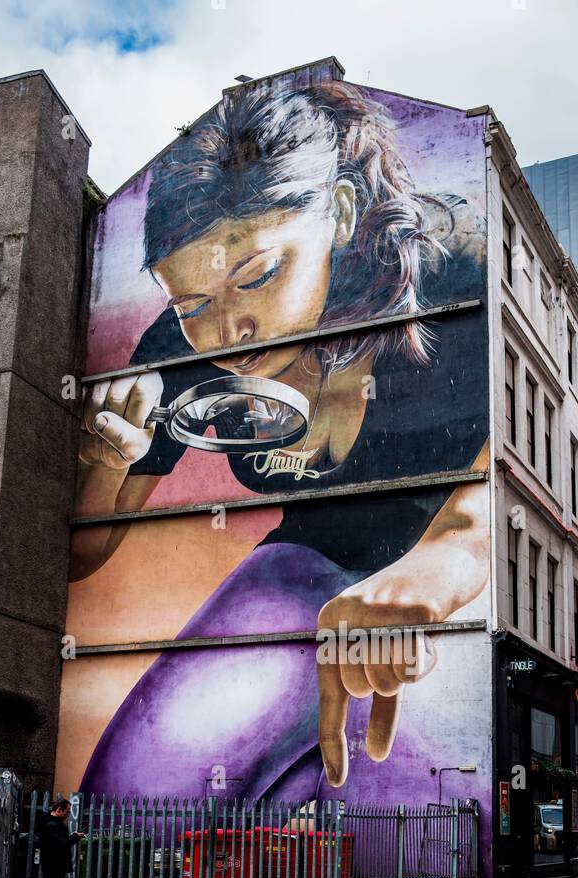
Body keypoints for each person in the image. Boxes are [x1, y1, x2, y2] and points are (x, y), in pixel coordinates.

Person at [71, 80, 489, 808]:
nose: (228, 333)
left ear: (343, 215)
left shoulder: (454, 274)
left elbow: (499, 491)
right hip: (307, 560)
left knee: (418, 817)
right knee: (134, 801)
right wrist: (105, 463)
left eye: (257, 275)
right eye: (193, 304)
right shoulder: (179, 352)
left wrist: (435, 570)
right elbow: (84, 552)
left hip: (446, 576)